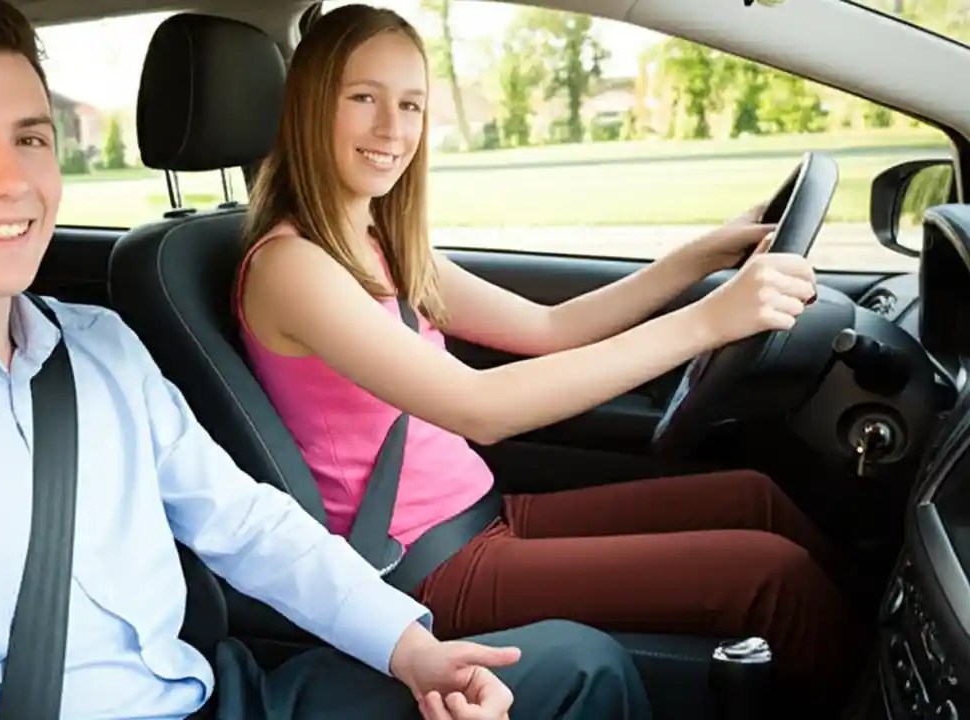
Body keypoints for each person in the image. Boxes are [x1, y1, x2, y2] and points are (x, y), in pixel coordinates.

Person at [0, 1, 655, 719]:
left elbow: (247, 524)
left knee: (578, 668)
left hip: (222, 695)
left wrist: (410, 648)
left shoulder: (98, 345)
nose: (11, 180)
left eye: (31, 138)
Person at [235, 1, 861, 705]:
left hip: (480, 513)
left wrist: (698, 260)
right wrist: (707, 323)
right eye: (363, 99)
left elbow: (548, 328)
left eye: (411, 104)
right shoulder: (291, 267)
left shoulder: (378, 242)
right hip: (424, 564)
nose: (392, 128)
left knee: (756, 499)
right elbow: (482, 408)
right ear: (311, 107)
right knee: (768, 574)